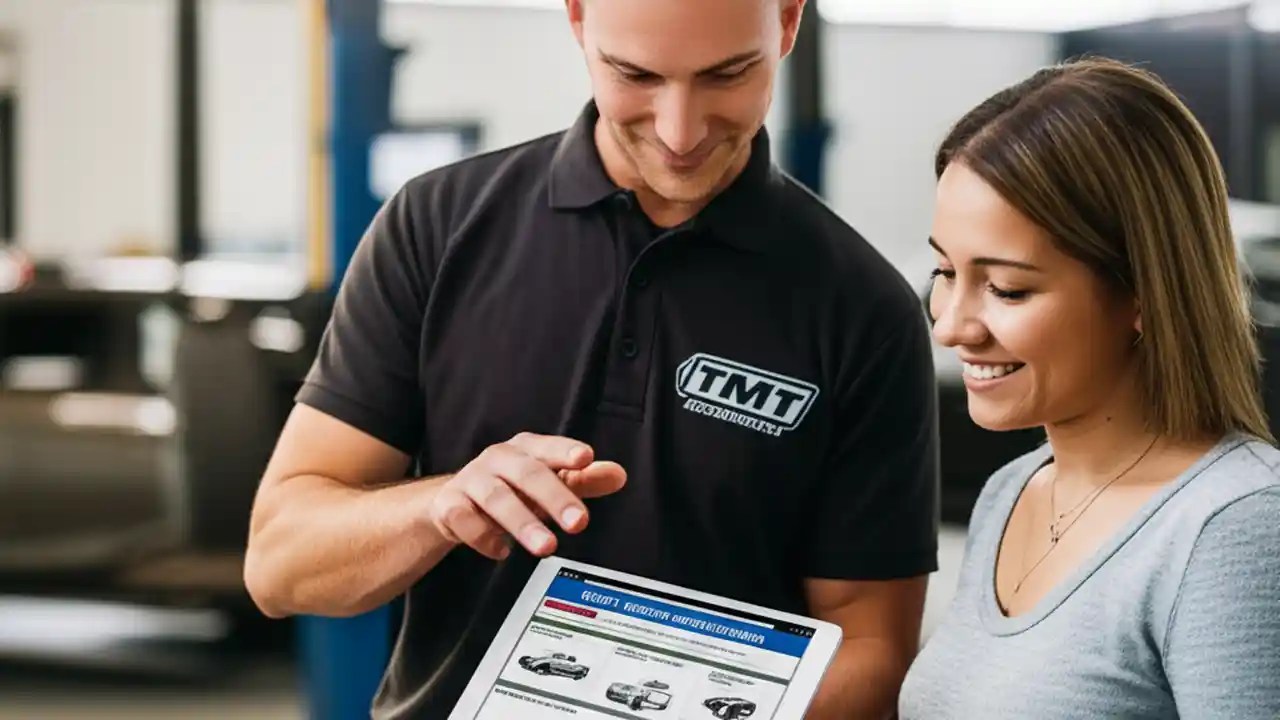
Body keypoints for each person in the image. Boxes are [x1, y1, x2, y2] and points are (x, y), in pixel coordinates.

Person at [243, 0, 941, 717]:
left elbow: (873, 654)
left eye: (727, 75)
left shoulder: (864, 310)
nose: (680, 132)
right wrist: (439, 508)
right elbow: (279, 566)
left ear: (788, 22)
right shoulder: (436, 227)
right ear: (577, 17)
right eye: (636, 75)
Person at [898, 57, 1280, 719]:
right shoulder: (1011, 493)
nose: (951, 325)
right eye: (945, 273)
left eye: (1007, 289)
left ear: (1143, 293)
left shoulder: (1236, 528)